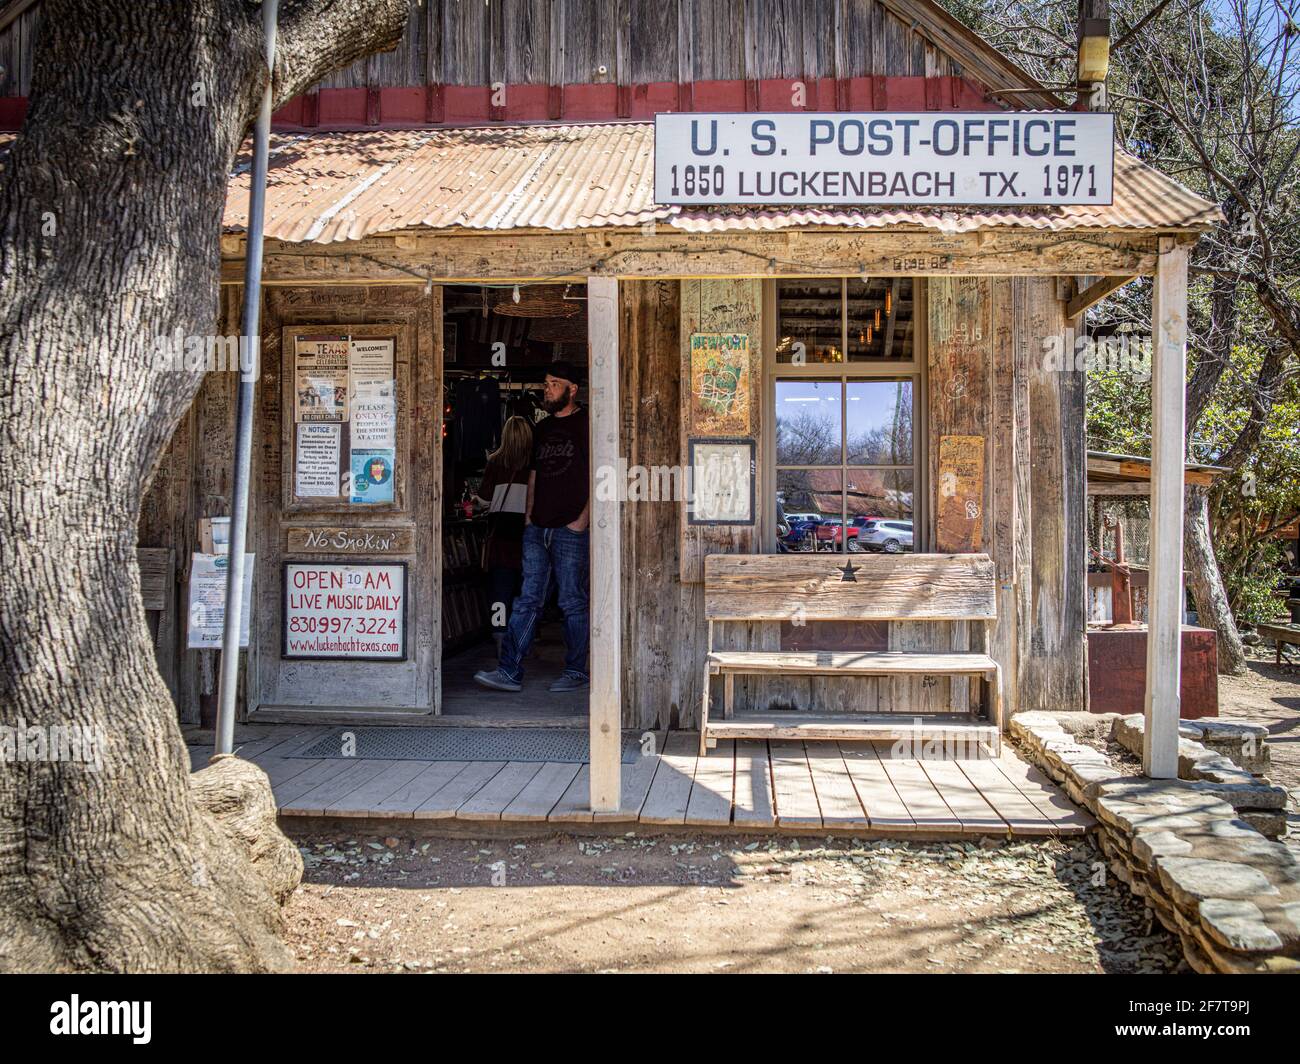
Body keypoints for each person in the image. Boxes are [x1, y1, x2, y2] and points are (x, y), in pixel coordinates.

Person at [474, 361, 589, 694]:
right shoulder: (541, 429)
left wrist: (581, 520)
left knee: (572, 601)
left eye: (555, 383)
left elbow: (600, 475)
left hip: (571, 529)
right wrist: (528, 517)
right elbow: (534, 475)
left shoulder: (587, 426)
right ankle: (509, 671)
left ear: (572, 389)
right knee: (527, 601)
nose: (547, 388)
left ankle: (576, 671)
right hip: (537, 528)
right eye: (546, 382)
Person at [473, 416, 533, 647]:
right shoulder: (534, 463)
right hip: (527, 534)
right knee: (526, 591)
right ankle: (525, 641)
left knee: (500, 590)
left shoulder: (495, 462)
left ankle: (499, 637)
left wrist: (476, 501)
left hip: (501, 534)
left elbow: (485, 499)